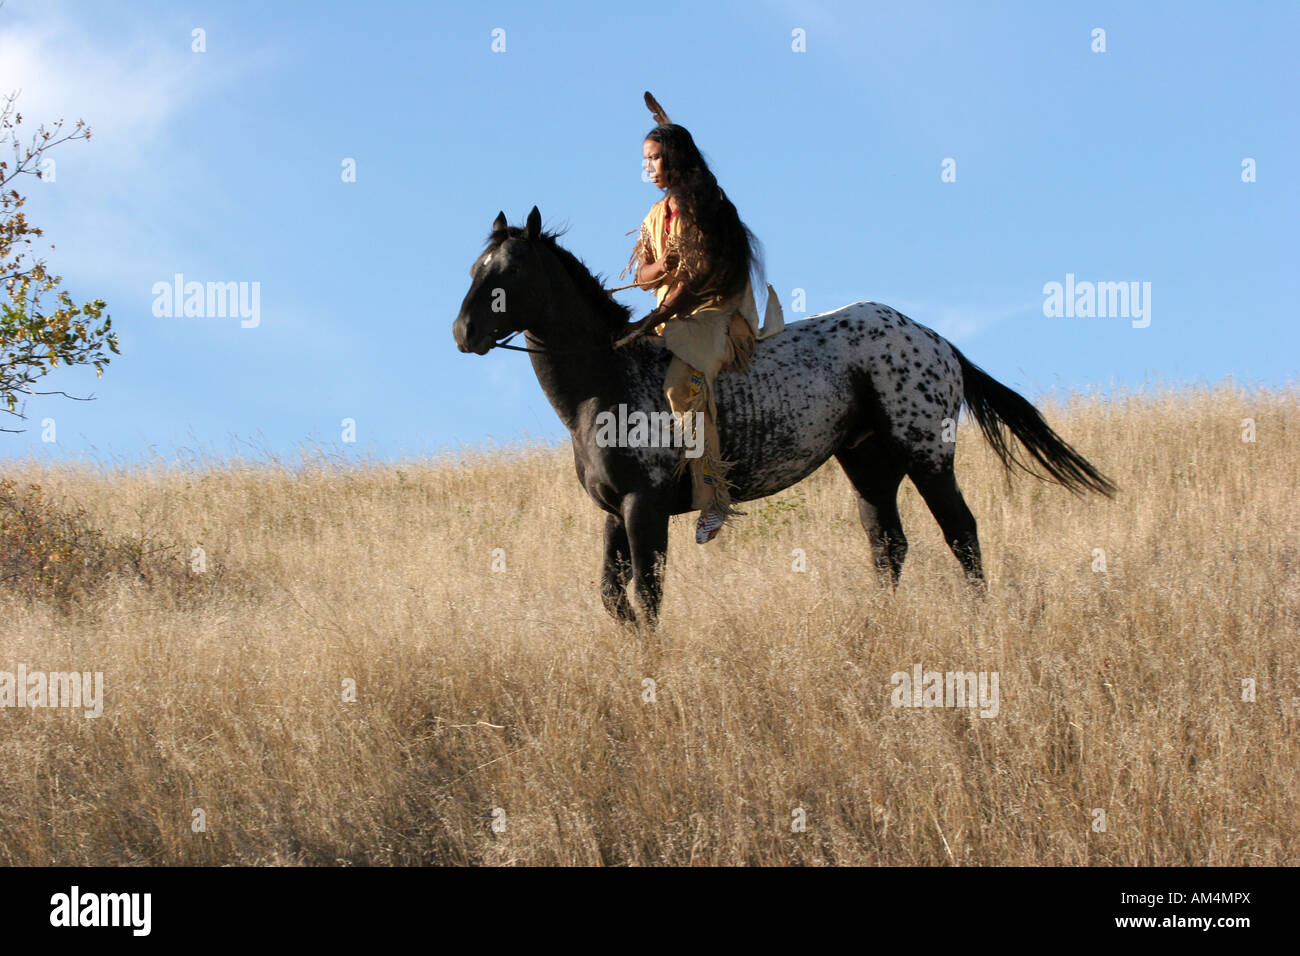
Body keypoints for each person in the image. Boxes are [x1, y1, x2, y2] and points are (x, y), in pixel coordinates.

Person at [621, 95, 767, 544]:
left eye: (655, 158)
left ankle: (713, 497)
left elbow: (703, 274)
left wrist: (660, 314)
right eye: (644, 159)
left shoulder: (705, 201)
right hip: (671, 319)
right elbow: (644, 275)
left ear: (676, 158)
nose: (648, 168)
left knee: (681, 386)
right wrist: (660, 267)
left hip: (716, 314)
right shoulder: (654, 216)